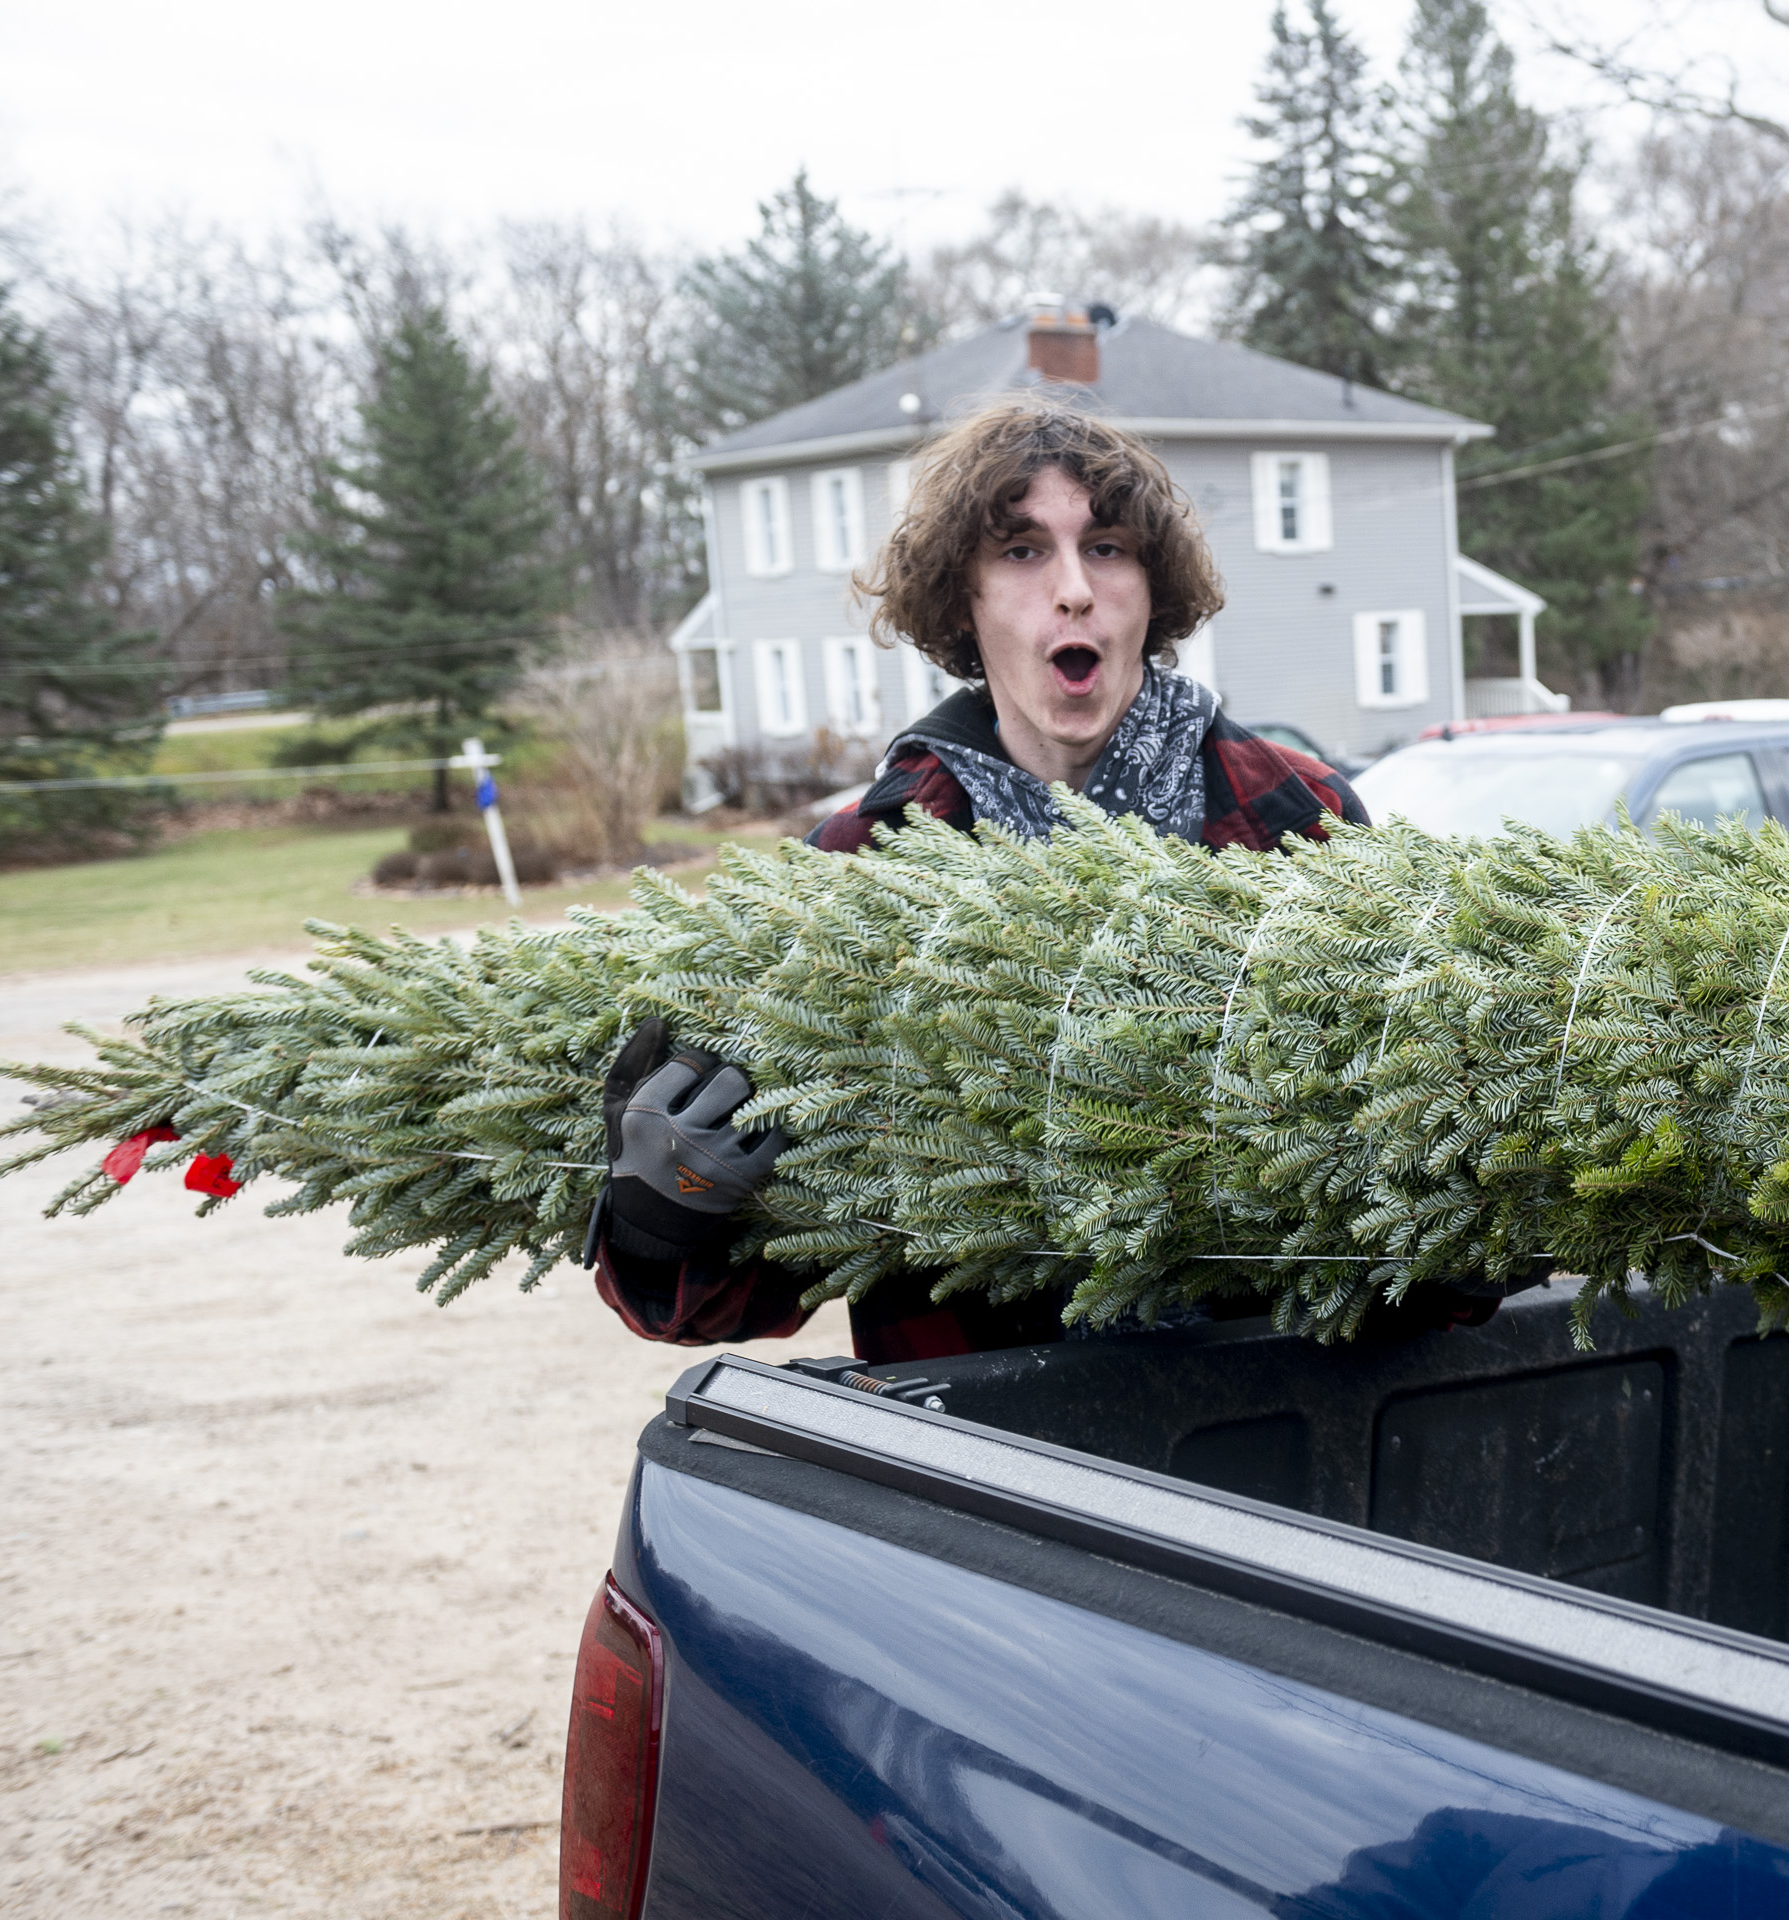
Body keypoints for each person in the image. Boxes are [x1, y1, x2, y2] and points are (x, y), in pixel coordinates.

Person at [586, 398, 1398, 1363]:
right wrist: (660, 1218)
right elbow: (720, 1302)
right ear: (962, 599)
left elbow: (1414, 1251)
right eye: (1021, 551)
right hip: (984, 1437)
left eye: (1106, 548)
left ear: (1152, 588)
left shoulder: (1298, 820)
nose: (1073, 590)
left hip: (1273, 1420)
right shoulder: (862, 867)